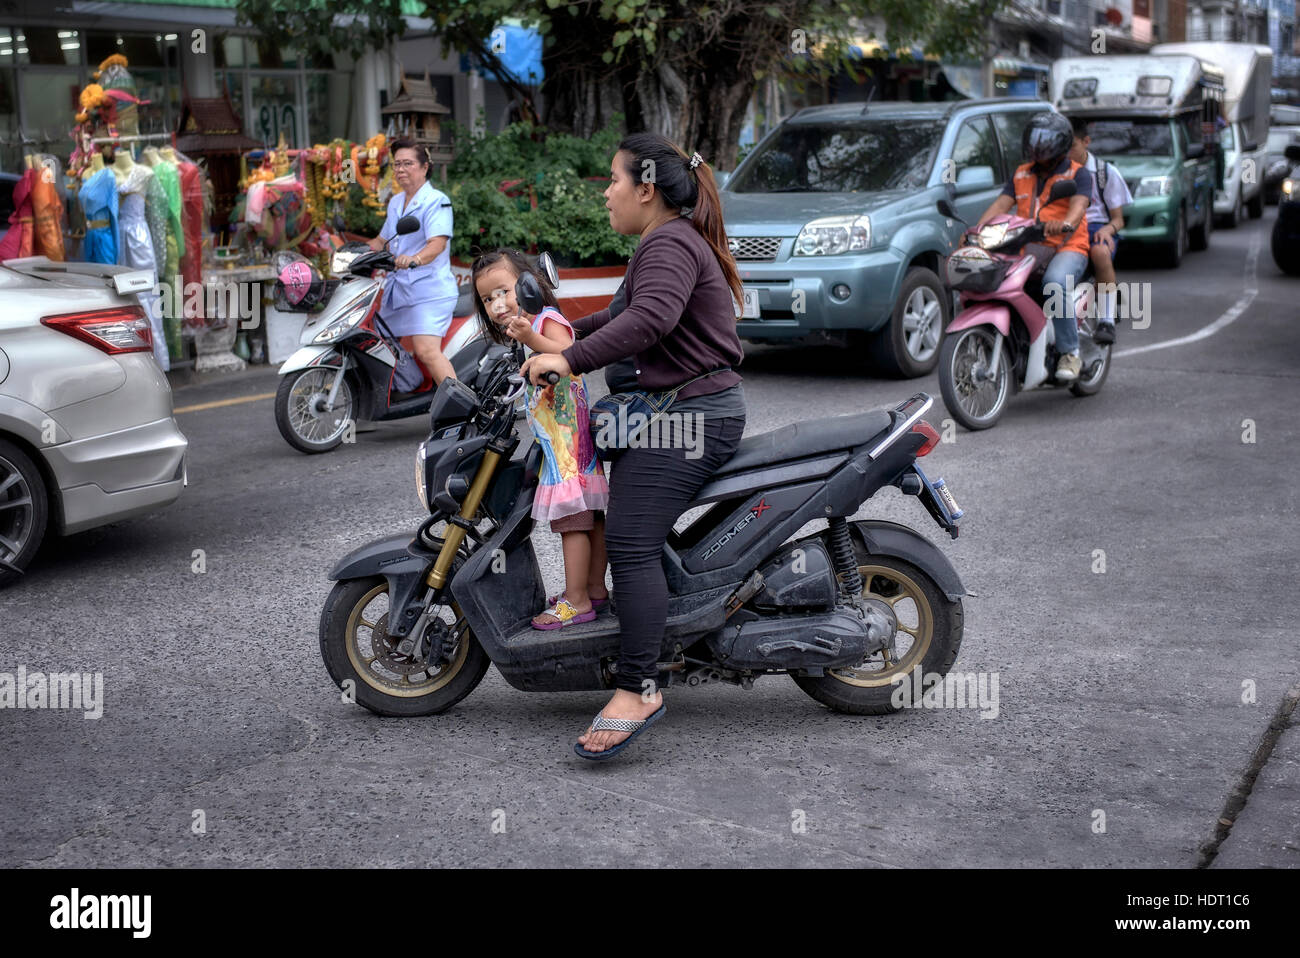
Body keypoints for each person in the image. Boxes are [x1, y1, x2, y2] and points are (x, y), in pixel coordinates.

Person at [521, 133, 747, 759]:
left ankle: (639, 686)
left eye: (612, 180)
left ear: (645, 189)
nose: (606, 193)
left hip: (690, 419)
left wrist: (566, 360)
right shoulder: (664, 243)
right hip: (678, 411)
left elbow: (649, 323)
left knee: (629, 541)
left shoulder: (671, 242)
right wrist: (542, 337)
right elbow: (618, 318)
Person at [470, 248, 611, 630]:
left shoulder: (548, 320)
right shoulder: (531, 329)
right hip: (563, 445)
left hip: (568, 448)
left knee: (573, 521)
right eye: (488, 299)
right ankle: (594, 591)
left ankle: (577, 600)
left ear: (530, 286)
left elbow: (570, 353)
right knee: (589, 521)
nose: (498, 305)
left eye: (504, 291)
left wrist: (532, 336)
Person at [972, 112, 1093, 381]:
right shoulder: (1021, 173)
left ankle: (1069, 353)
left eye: (1046, 140)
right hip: (1027, 247)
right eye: (1035, 139)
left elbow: (1078, 207)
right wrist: (976, 233)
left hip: (1067, 246)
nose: (1038, 146)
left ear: (1061, 143)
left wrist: (1064, 224)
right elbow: (1000, 206)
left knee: (1054, 284)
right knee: (993, 281)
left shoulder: (1078, 173)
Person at [366, 139, 457, 385]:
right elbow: (382, 240)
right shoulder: (396, 202)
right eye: (396, 164)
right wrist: (352, 253)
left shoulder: (436, 201)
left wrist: (414, 259)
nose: (400, 169)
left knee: (426, 350)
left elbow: (437, 244)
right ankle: (393, 394)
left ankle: (462, 411)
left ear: (424, 167)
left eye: (408, 163)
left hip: (429, 290)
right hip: (399, 290)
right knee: (372, 343)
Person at [1070, 116, 1132, 345]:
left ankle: (1106, 320)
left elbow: (1118, 219)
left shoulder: (1105, 172)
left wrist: (1108, 229)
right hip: (1067, 227)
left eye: (1072, 146)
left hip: (1096, 228)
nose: (1067, 153)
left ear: (1086, 141)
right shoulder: (1059, 172)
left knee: (1100, 253)